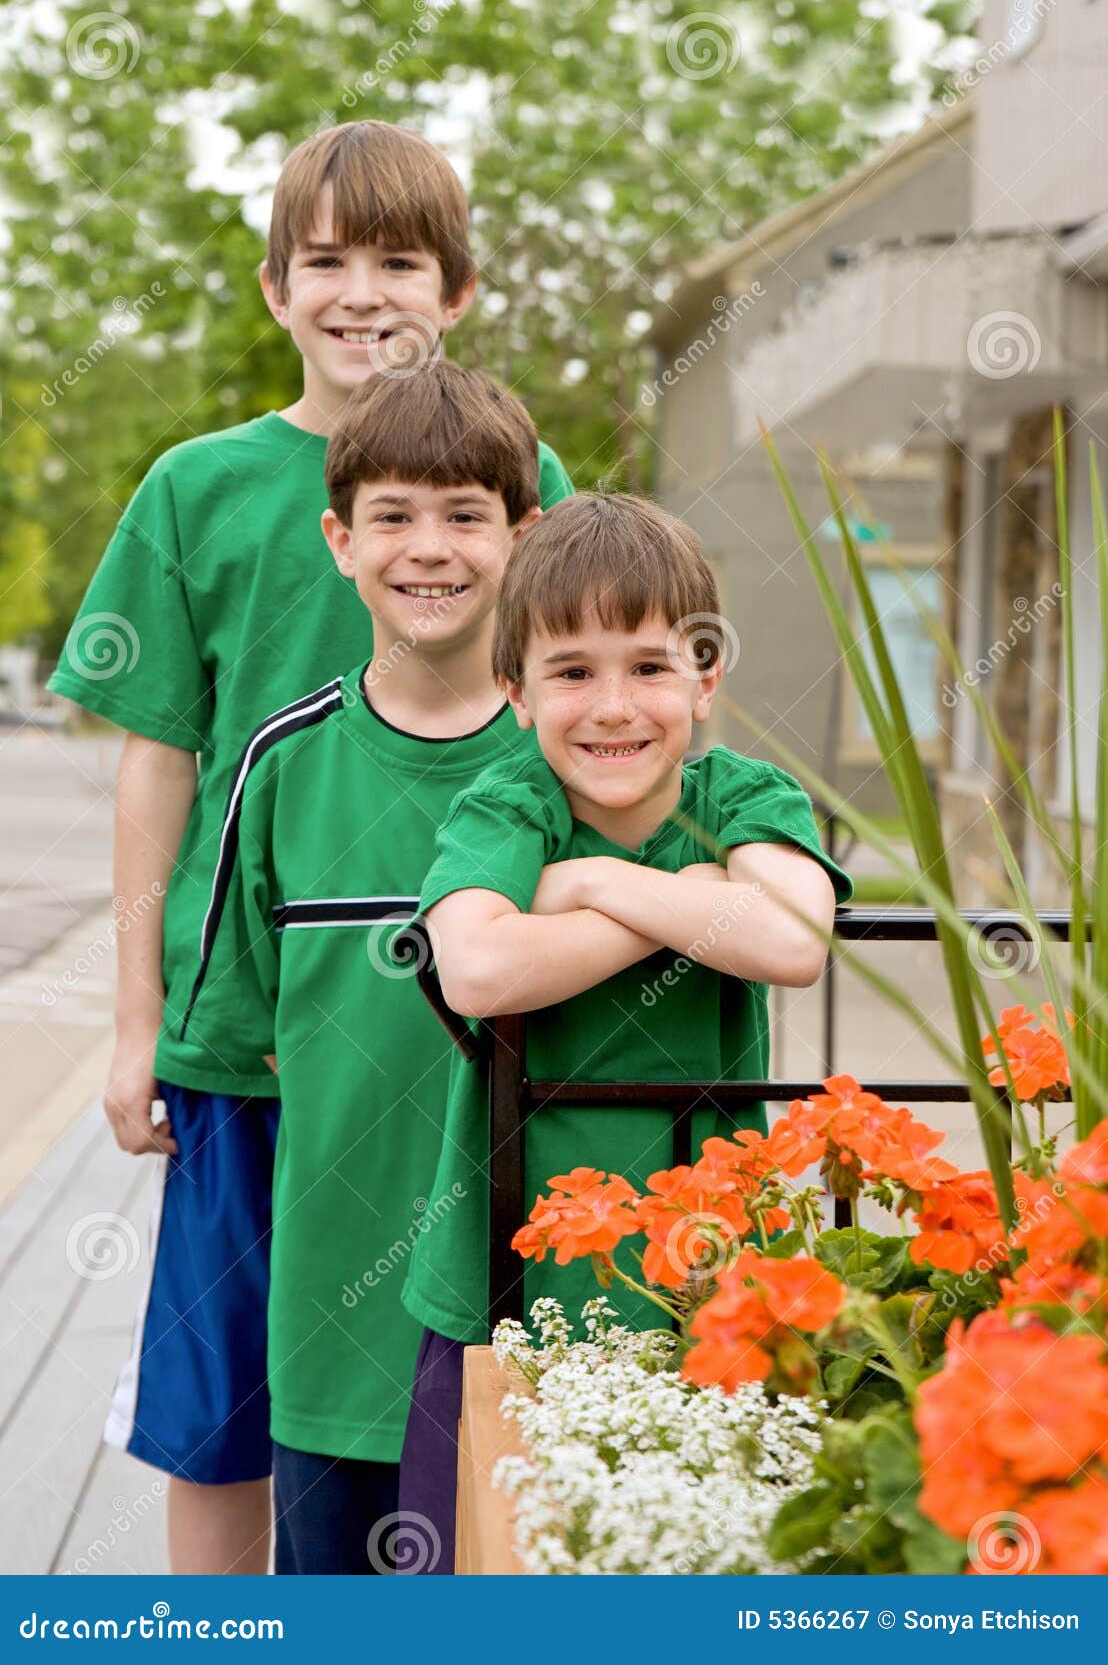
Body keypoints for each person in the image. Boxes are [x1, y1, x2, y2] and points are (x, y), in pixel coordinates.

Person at [46, 121, 573, 1575]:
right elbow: (157, 765)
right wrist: (136, 1024)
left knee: (450, 1391)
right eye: (326, 261)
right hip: (252, 1029)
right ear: (276, 288)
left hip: (463, 1029)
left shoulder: (517, 470)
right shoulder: (197, 489)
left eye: (399, 260)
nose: (362, 292)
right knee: (223, 1409)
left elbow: (573, 710)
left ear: (457, 290)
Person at [397, 491, 855, 1571]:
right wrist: (684, 906)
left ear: (704, 678)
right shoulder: (510, 802)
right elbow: (476, 967)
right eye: (571, 672)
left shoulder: (741, 795)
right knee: (486, 1560)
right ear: (516, 694)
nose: (613, 707)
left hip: (704, 1277)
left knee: (693, 1560)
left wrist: (592, 886)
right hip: (506, 1273)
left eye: (649, 666)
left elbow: (793, 939)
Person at [169, 359, 551, 1572]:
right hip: (332, 1336)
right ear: (340, 540)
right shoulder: (280, 767)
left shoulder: (573, 769)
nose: (427, 548)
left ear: (525, 534)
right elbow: (245, 1042)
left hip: (537, 1332)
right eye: (392, 515)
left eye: (465, 515)